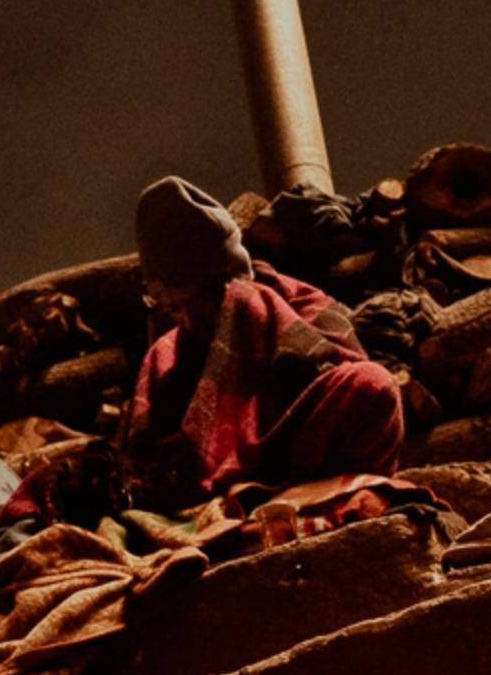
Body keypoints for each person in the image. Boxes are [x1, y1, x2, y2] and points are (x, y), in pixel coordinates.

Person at [120, 175, 407, 508]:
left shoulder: (293, 301)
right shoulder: (167, 353)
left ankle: (309, 497)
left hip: (297, 454)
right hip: (208, 486)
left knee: (373, 385)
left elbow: (347, 371)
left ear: (219, 284)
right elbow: (149, 452)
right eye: (171, 308)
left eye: (189, 302)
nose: (182, 318)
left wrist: (253, 315)